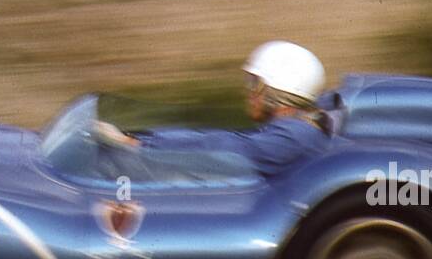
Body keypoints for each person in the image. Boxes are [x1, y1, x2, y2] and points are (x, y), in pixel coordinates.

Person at [94, 41, 331, 179]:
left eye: (254, 84)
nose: (248, 92)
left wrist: (142, 146)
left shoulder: (294, 136)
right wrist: (143, 138)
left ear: (277, 91)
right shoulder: (296, 130)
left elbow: (227, 148)